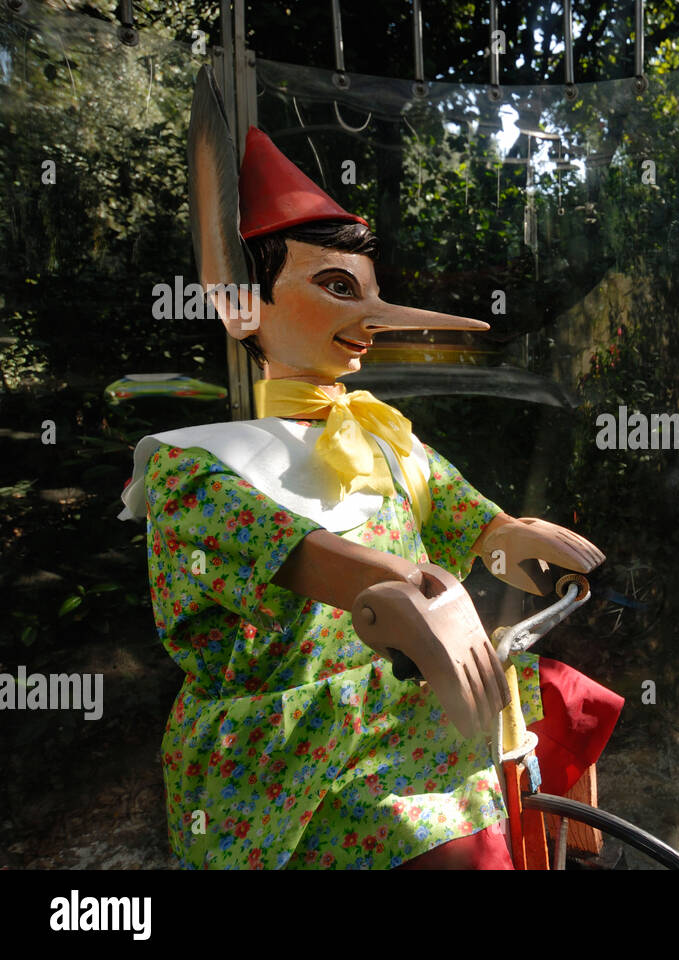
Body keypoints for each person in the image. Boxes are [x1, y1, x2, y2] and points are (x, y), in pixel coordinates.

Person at [118, 109, 622, 869]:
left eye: (370, 294)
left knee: (566, 706)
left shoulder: (382, 435)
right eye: (335, 288)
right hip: (293, 741)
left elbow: (454, 510)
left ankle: (575, 857)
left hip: (403, 694)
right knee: (445, 851)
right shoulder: (195, 469)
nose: (371, 321)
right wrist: (401, 588)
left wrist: (505, 534)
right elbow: (301, 556)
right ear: (239, 306)